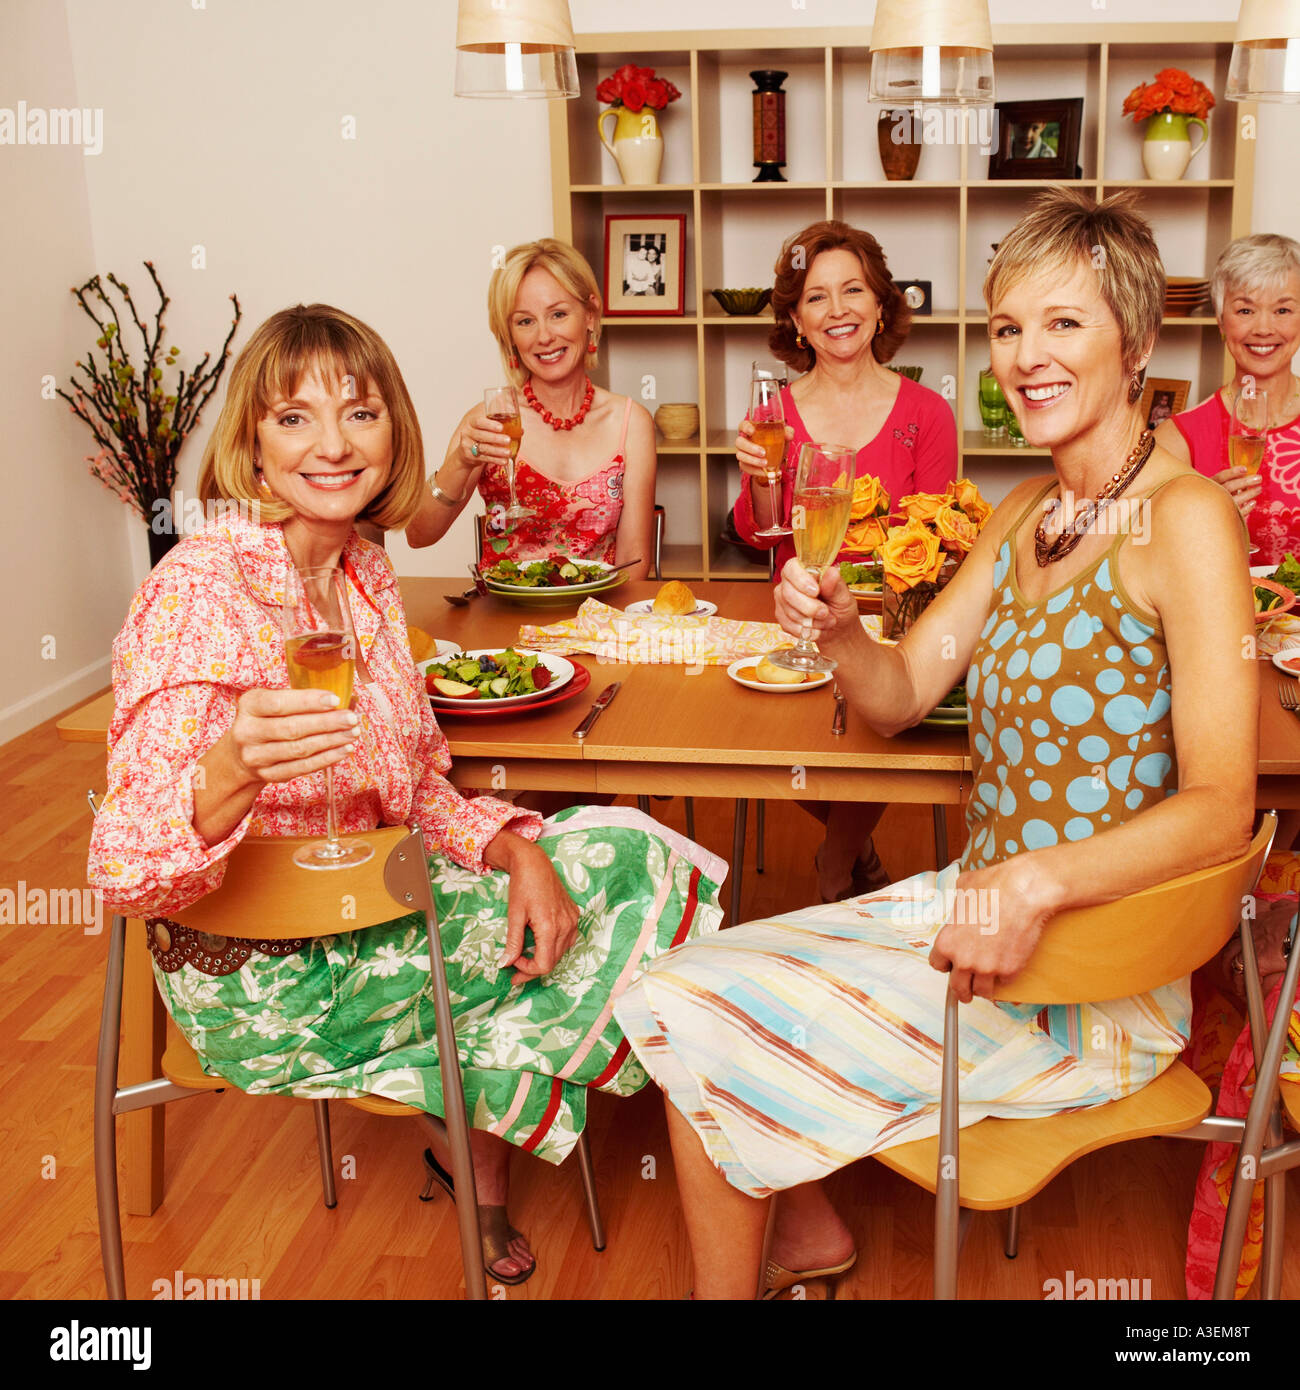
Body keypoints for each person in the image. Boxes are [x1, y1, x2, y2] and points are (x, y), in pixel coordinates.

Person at [615, 189, 1258, 1301]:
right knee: (676, 980)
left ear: (1138, 341)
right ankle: (804, 1229)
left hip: (1094, 977)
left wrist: (1034, 881)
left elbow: (1219, 802)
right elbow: (905, 693)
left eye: (1063, 323)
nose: (1025, 354)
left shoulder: (1188, 517)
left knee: (691, 1006)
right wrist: (845, 632)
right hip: (979, 913)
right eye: (1008, 327)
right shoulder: (1022, 517)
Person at [87, 303, 724, 1286]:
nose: (335, 444)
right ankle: (760, 1197)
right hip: (259, 974)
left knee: (612, 852)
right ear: (252, 448)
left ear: (395, 433)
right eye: (294, 418)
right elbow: (123, 865)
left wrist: (516, 850)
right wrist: (227, 773)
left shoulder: (368, 574)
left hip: (371, 908)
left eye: (361, 412)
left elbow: (417, 784)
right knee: (616, 900)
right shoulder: (198, 591)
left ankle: (483, 1161)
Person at [732, 218, 958, 902]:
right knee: (750, 729)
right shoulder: (774, 415)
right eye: (817, 297)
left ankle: (838, 856)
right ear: (796, 320)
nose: (838, 311)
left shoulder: (927, 411)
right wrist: (759, 481)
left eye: (853, 290)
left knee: (882, 716)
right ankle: (859, 855)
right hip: (796, 617)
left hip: (892, 621)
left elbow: (939, 539)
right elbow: (757, 535)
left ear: (881, 303)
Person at [406, 240, 654, 577]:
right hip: (503, 620)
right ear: (509, 336)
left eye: (558, 314)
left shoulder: (631, 422)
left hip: (595, 621)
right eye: (525, 322)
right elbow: (418, 535)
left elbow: (634, 564)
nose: (544, 336)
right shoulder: (489, 421)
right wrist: (460, 463)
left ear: (590, 316)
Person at [1156, 233, 1300, 567]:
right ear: (1221, 321)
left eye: (1283, 309)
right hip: (1217, 617)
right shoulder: (1177, 439)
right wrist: (1201, 512)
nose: (1264, 328)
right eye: (1245, 309)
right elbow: (1142, 551)